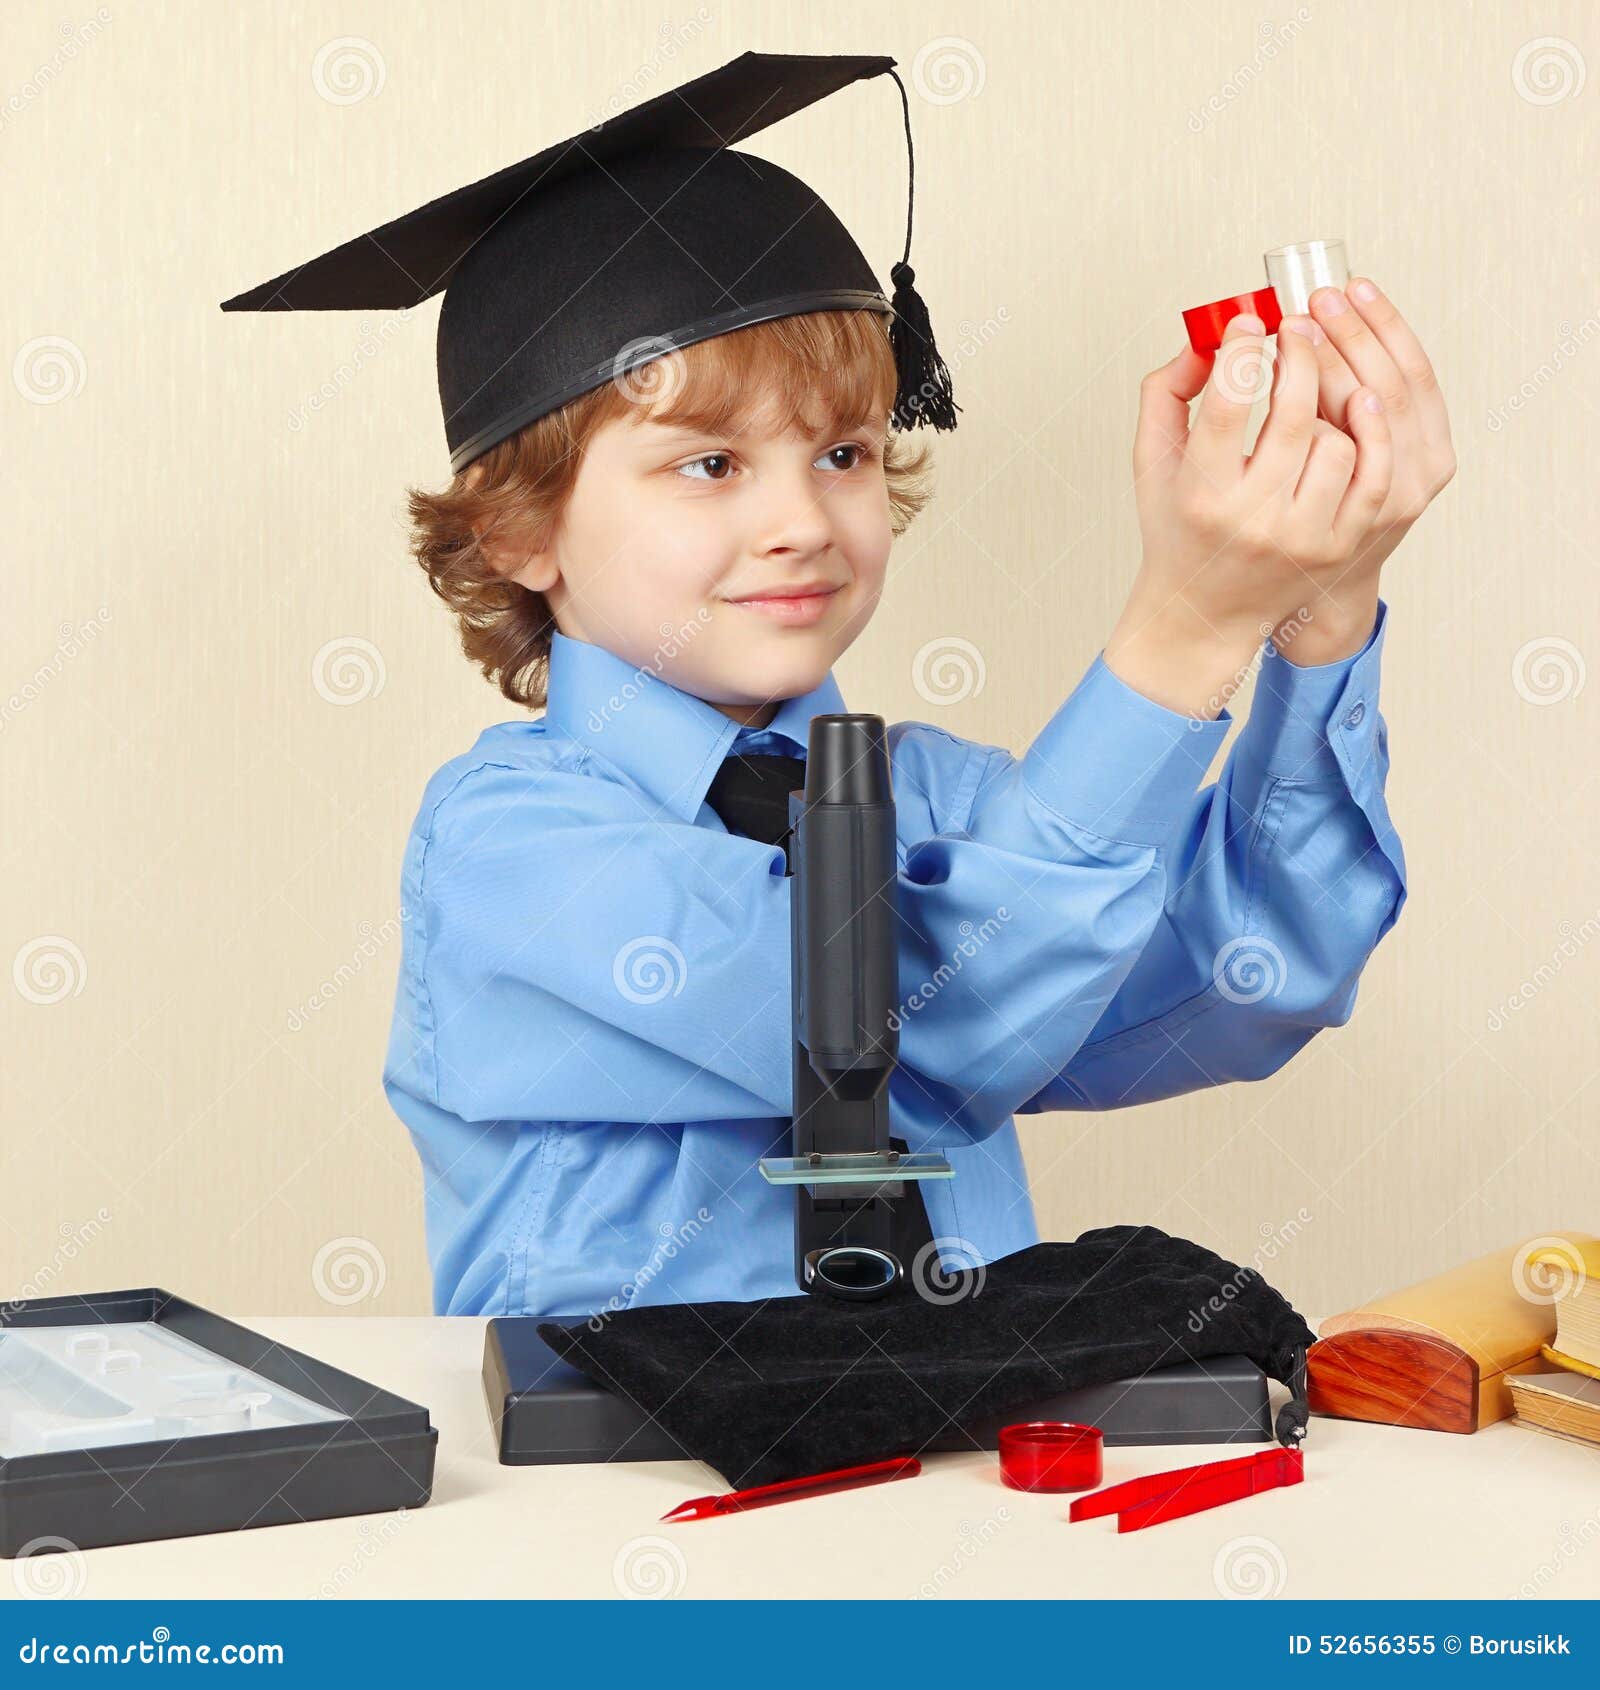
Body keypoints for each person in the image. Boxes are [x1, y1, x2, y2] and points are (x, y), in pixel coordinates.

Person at [220, 53, 1454, 1318]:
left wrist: (1317, 605)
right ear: (518, 533)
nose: (801, 521)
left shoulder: (931, 800)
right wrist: (1186, 626)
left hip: (942, 1473)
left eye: (842, 451)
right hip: (622, 1488)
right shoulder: (510, 845)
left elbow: (1250, 970)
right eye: (708, 463)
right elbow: (910, 1028)